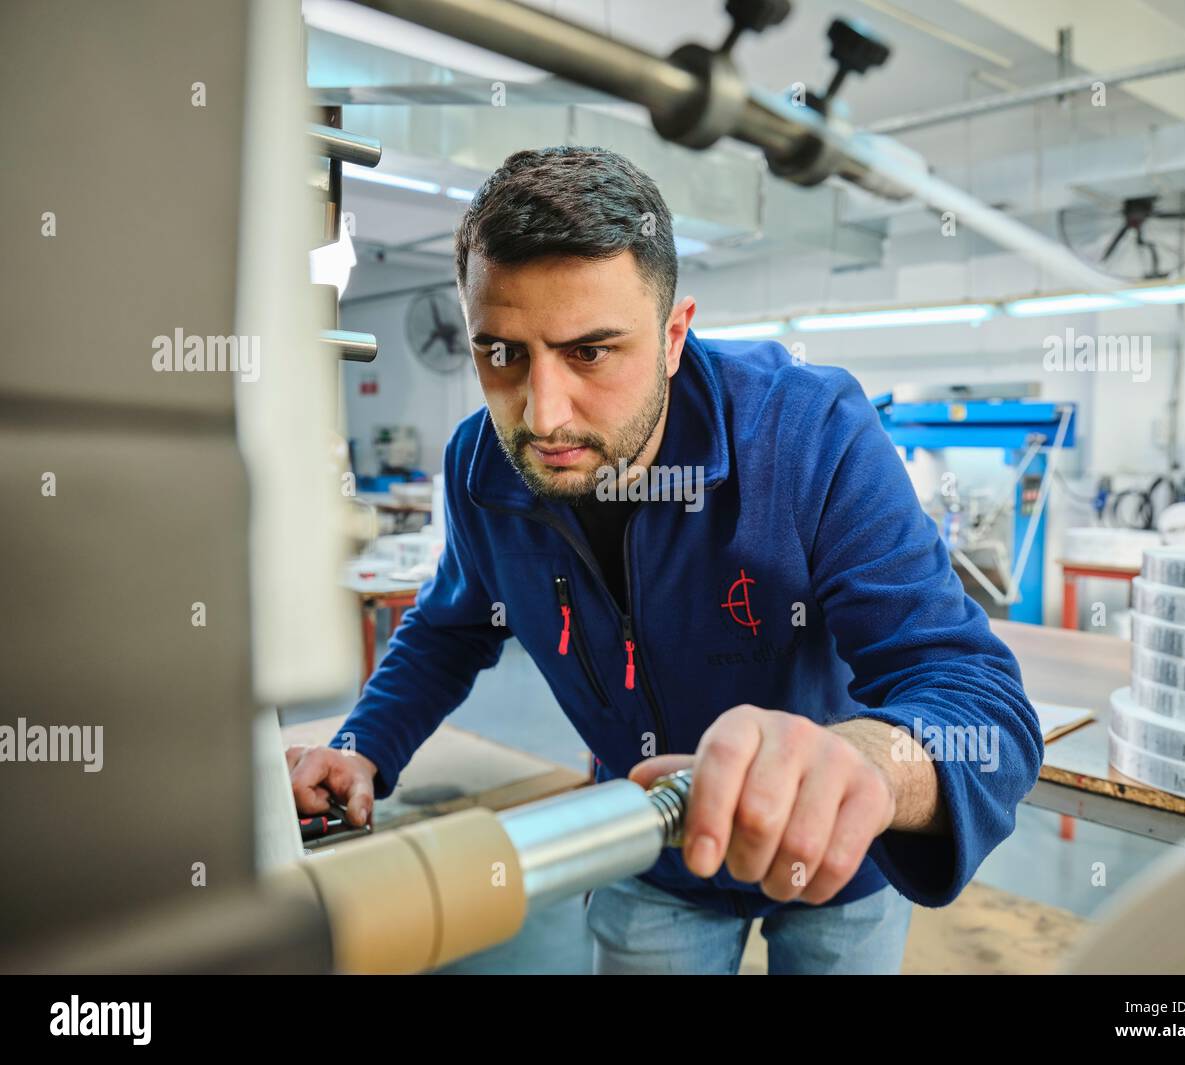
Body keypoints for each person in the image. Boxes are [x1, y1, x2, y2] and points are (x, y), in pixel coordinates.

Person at [286, 145, 1043, 974]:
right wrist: (362, 746)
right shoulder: (482, 465)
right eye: (501, 352)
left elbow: (980, 705)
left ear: (675, 334)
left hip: (833, 843)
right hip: (647, 841)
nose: (542, 413)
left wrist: (864, 764)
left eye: (590, 352)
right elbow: (448, 627)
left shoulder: (808, 431)